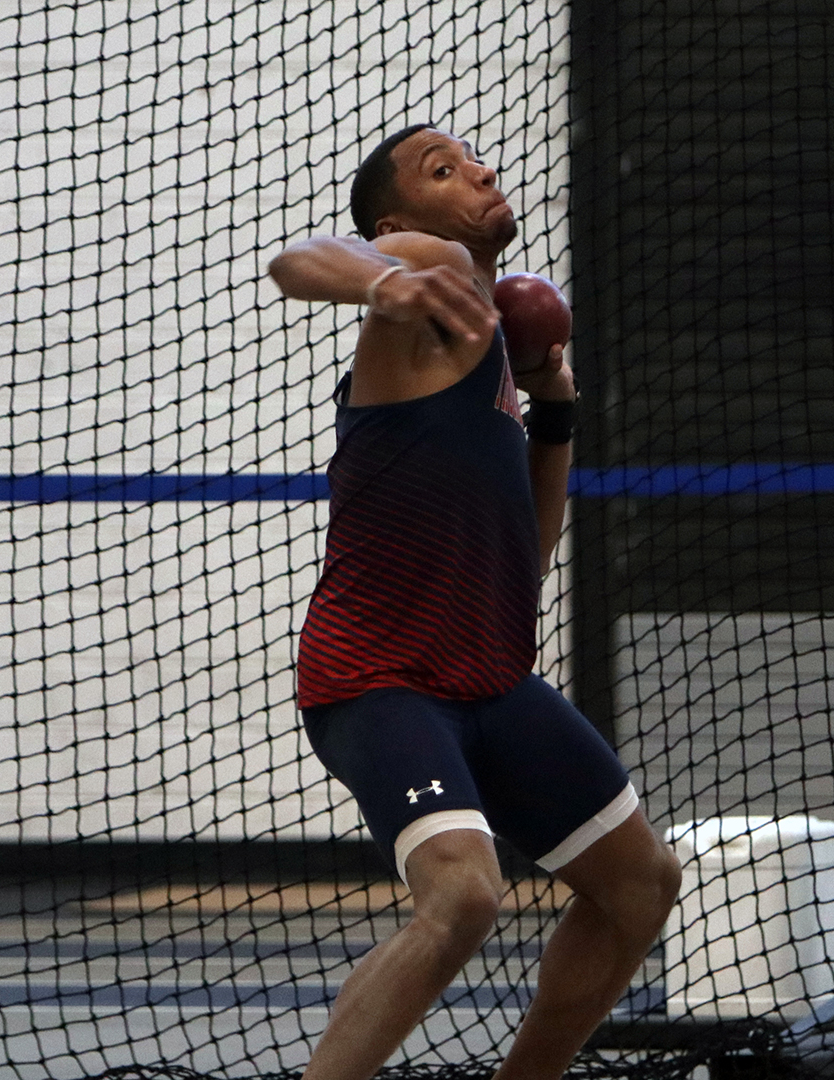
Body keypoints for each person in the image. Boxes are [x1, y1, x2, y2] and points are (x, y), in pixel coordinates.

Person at [268, 124, 681, 1080]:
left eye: (474, 159)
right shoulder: (431, 264)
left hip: (491, 681)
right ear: (396, 220)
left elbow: (529, 560)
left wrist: (558, 415)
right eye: (442, 171)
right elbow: (297, 260)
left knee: (639, 888)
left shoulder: (491, 338)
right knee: (463, 897)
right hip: (381, 681)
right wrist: (384, 281)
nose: (480, 172)